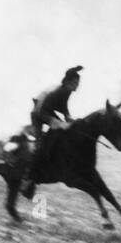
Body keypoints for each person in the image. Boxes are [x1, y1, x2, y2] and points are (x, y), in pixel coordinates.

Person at [19, 66, 81, 196]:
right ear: (68, 82)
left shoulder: (66, 91)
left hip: (47, 111)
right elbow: (43, 112)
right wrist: (63, 122)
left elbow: (64, 110)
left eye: (78, 83)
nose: (77, 86)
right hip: (38, 114)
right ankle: (27, 180)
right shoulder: (61, 91)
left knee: (66, 129)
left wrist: (71, 121)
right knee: (39, 146)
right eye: (75, 83)